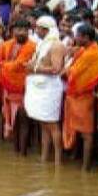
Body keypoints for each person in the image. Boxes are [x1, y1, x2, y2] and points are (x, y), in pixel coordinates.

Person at [25, 16, 66, 164]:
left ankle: (57, 161)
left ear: (45, 29)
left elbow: (56, 69)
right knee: (43, 124)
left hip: (50, 89)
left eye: (38, 28)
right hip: (40, 88)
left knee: (52, 125)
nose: (36, 31)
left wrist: (34, 68)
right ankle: (44, 157)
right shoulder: (42, 44)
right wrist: (32, 65)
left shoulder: (56, 45)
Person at [62, 24, 98, 170]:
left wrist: (66, 71)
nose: (75, 38)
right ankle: (80, 162)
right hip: (77, 96)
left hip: (84, 96)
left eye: (78, 36)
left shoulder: (91, 53)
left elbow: (73, 72)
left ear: (86, 37)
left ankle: (86, 167)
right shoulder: (84, 50)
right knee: (79, 130)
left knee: (86, 133)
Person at [0, 19, 36, 153]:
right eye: (18, 29)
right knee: (12, 121)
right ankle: (17, 154)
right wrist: (3, 66)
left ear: (28, 31)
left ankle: (22, 153)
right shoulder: (5, 45)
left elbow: (18, 65)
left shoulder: (32, 46)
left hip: (25, 88)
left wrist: (3, 66)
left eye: (24, 29)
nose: (21, 32)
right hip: (8, 88)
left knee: (23, 120)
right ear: (12, 31)